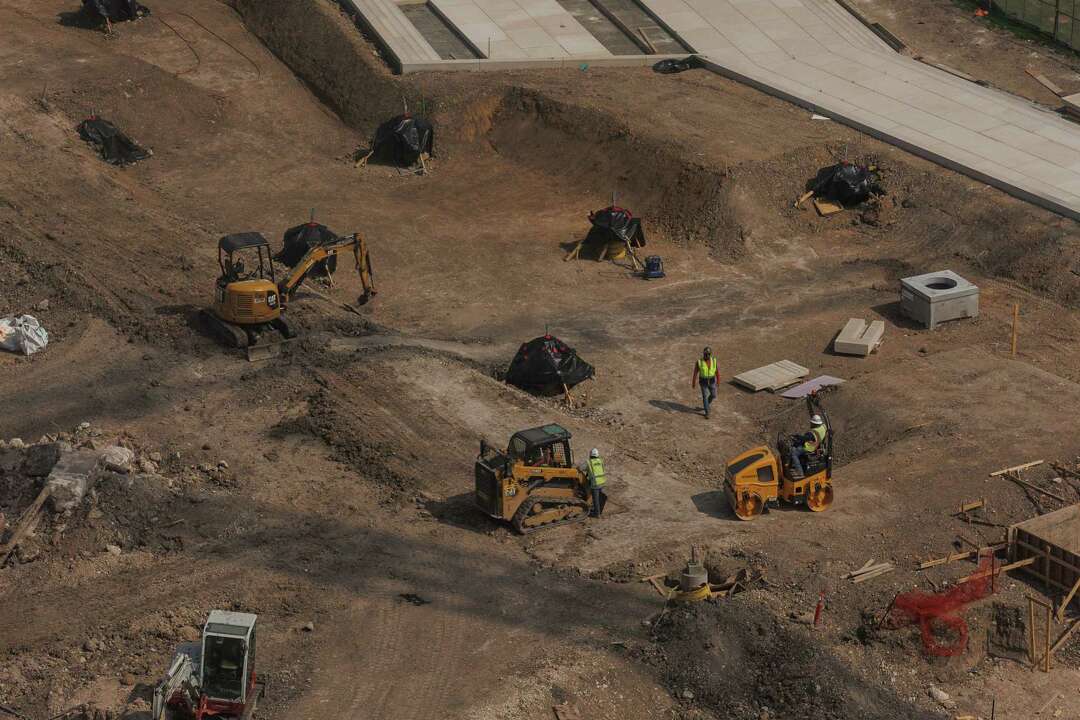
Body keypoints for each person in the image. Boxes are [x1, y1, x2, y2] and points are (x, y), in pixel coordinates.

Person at [789, 414, 827, 479]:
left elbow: (804, 439)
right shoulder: (823, 427)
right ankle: (793, 466)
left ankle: (800, 473)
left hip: (809, 447)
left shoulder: (812, 433)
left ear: (814, 424)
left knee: (794, 453)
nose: (810, 424)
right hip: (816, 444)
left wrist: (797, 436)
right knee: (796, 447)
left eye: (812, 423)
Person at [690, 346, 719, 418]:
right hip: (703, 382)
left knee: (713, 395)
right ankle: (707, 412)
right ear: (703, 354)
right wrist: (693, 382)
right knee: (705, 396)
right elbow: (695, 373)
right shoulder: (699, 362)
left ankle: (706, 404)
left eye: (708, 354)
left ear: (710, 354)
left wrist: (718, 380)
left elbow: (716, 371)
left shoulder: (714, 360)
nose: (707, 356)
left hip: (712, 381)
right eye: (705, 354)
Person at [584, 448, 606, 518]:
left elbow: (580, 468)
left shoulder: (589, 462)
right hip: (602, 482)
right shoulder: (601, 461)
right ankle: (599, 511)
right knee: (599, 497)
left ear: (590, 455)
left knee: (595, 499)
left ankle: (597, 514)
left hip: (595, 483)